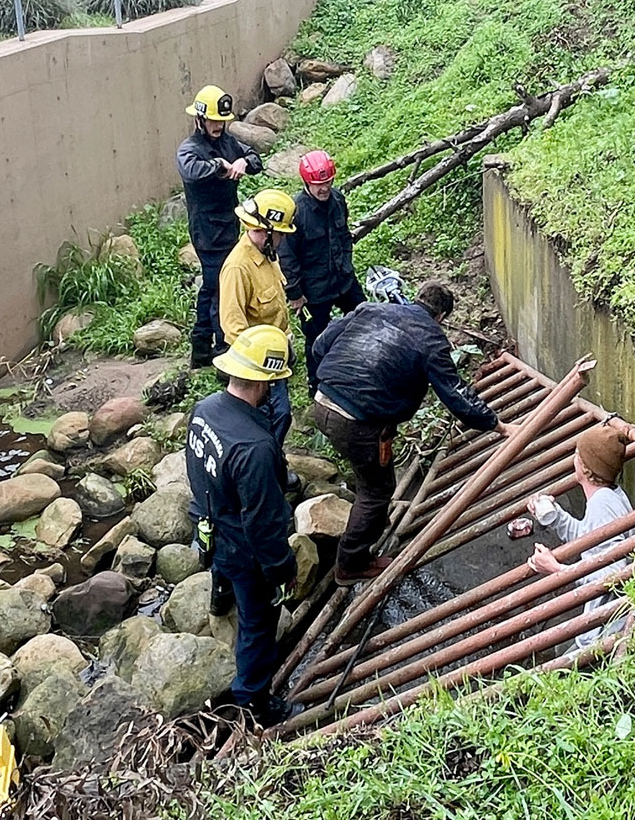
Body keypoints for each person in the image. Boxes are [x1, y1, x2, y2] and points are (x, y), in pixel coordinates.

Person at [308, 273, 522, 585]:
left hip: (323, 402)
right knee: (376, 491)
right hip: (357, 421)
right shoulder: (431, 339)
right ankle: (350, 564)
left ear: (416, 297)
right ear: (442, 316)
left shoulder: (371, 309)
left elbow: (321, 344)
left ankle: (365, 535)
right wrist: (497, 426)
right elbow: (454, 393)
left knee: (370, 476)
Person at [186, 324, 300, 726]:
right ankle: (252, 699)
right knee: (258, 623)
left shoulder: (204, 411)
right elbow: (264, 525)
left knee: (222, 569)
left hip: (210, 522)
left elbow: (197, 472)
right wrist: (283, 569)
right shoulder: (256, 446)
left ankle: (220, 595)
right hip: (241, 548)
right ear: (266, 382)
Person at [527, 422, 635, 648]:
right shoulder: (611, 496)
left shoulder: (601, 505)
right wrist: (555, 516)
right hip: (604, 624)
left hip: (605, 632)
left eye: (578, 453)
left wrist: (558, 570)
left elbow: (614, 574)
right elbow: (592, 541)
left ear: (585, 465)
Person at [176, 85, 263, 370]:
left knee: (211, 288)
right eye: (213, 121)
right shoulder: (190, 149)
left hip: (229, 226)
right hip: (207, 233)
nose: (218, 126)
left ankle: (200, 349)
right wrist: (220, 166)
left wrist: (242, 161)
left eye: (221, 121)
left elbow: (255, 159)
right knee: (220, 290)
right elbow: (191, 170)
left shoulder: (229, 141)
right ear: (199, 120)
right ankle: (224, 350)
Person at [277, 150, 362, 399]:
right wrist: (294, 292)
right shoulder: (297, 212)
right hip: (313, 291)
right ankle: (317, 389)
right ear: (306, 183)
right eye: (318, 184)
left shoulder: (337, 200)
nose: (323, 188)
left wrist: (346, 262)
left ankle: (360, 367)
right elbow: (287, 255)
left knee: (365, 316)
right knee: (316, 340)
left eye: (327, 182)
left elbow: (344, 235)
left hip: (343, 279)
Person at [219, 187, 299, 445]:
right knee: (263, 422)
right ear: (266, 231)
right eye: (280, 234)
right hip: (257, 368)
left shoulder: (267, 254)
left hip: (275, 356)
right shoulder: (237, 268)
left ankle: (276, 460)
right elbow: (233, 328)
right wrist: (258, 371)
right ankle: (265, 466)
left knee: (281, 416)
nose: (282, 240)